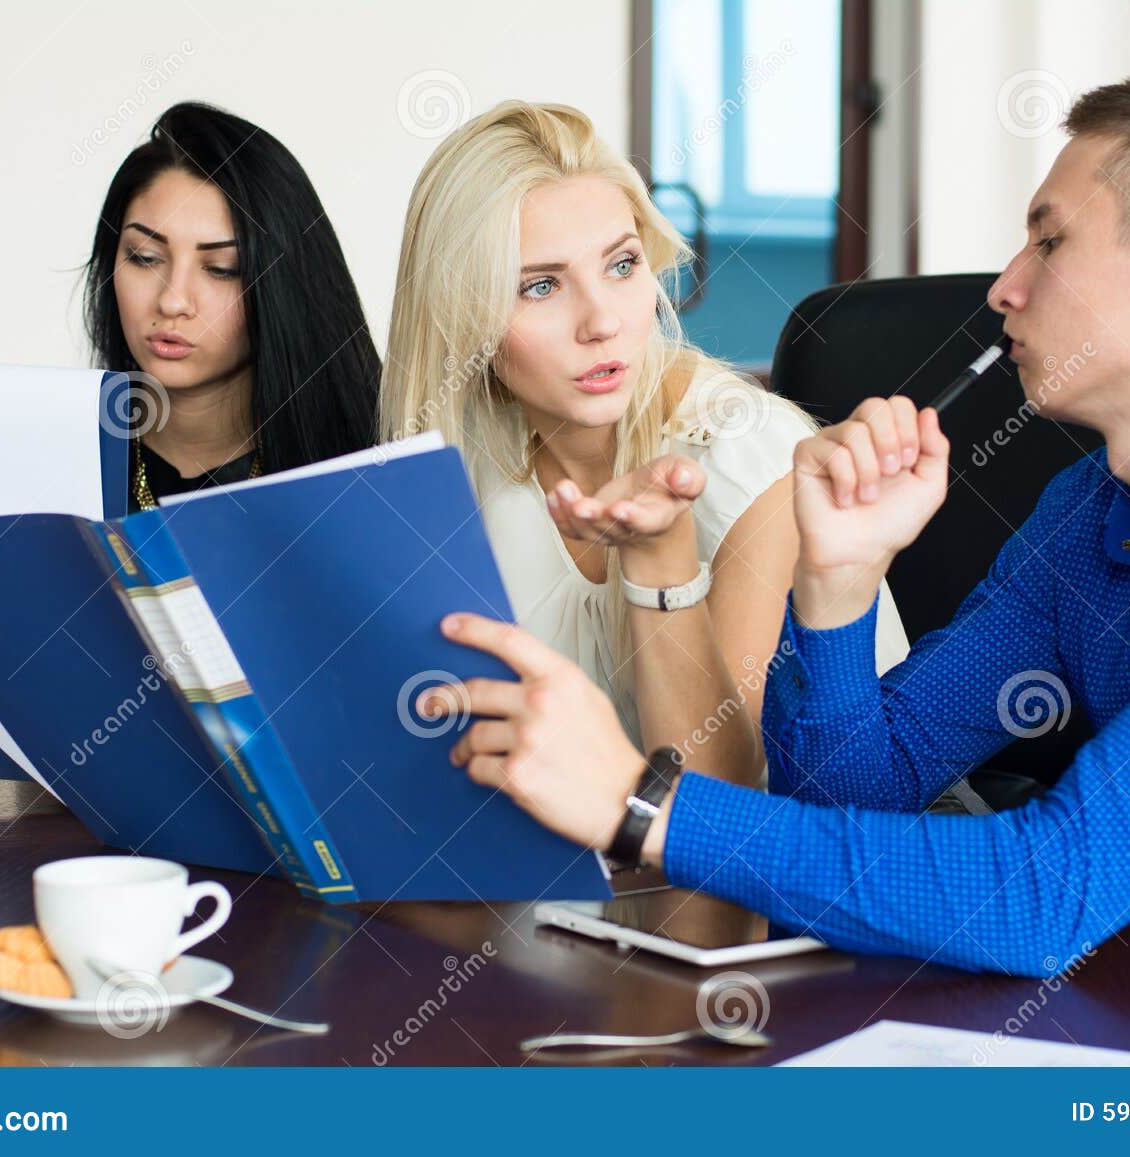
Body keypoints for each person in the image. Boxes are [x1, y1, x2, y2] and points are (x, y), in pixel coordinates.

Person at [417, 74, 1130, 1066]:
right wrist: (835, 588)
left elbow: (1053, 892)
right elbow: (857, 804)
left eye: (1048, 240)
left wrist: (643, 807)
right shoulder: (1085, 513)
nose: (1003, 285)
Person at [381, 101, 906, 784]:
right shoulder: (466, 462)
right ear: (462, 316)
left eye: (622, 265)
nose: (602, 321)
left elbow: (715, 802)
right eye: (541, 285)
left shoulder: (752, 455)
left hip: (783, 868)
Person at [0, 102, 382, 662]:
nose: (173, 300)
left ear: (284, 285)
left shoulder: (368, 473)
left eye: (221, 269)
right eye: (145, 258)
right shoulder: (41, 466)